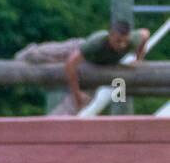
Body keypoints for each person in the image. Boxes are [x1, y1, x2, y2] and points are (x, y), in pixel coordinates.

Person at [15, 21, 150, 115]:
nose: (122, 45)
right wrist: (76, 93)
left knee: (80, 104)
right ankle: (24, 55)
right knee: (47, 53)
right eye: (118, 41)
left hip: (97, 68)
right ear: (110, 36)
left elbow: (146, 33)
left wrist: (138, 59)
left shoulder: (134, 39)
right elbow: (70, 64)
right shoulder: (96, 43)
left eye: (125, 41)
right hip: (79, 51)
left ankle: (52, 124)